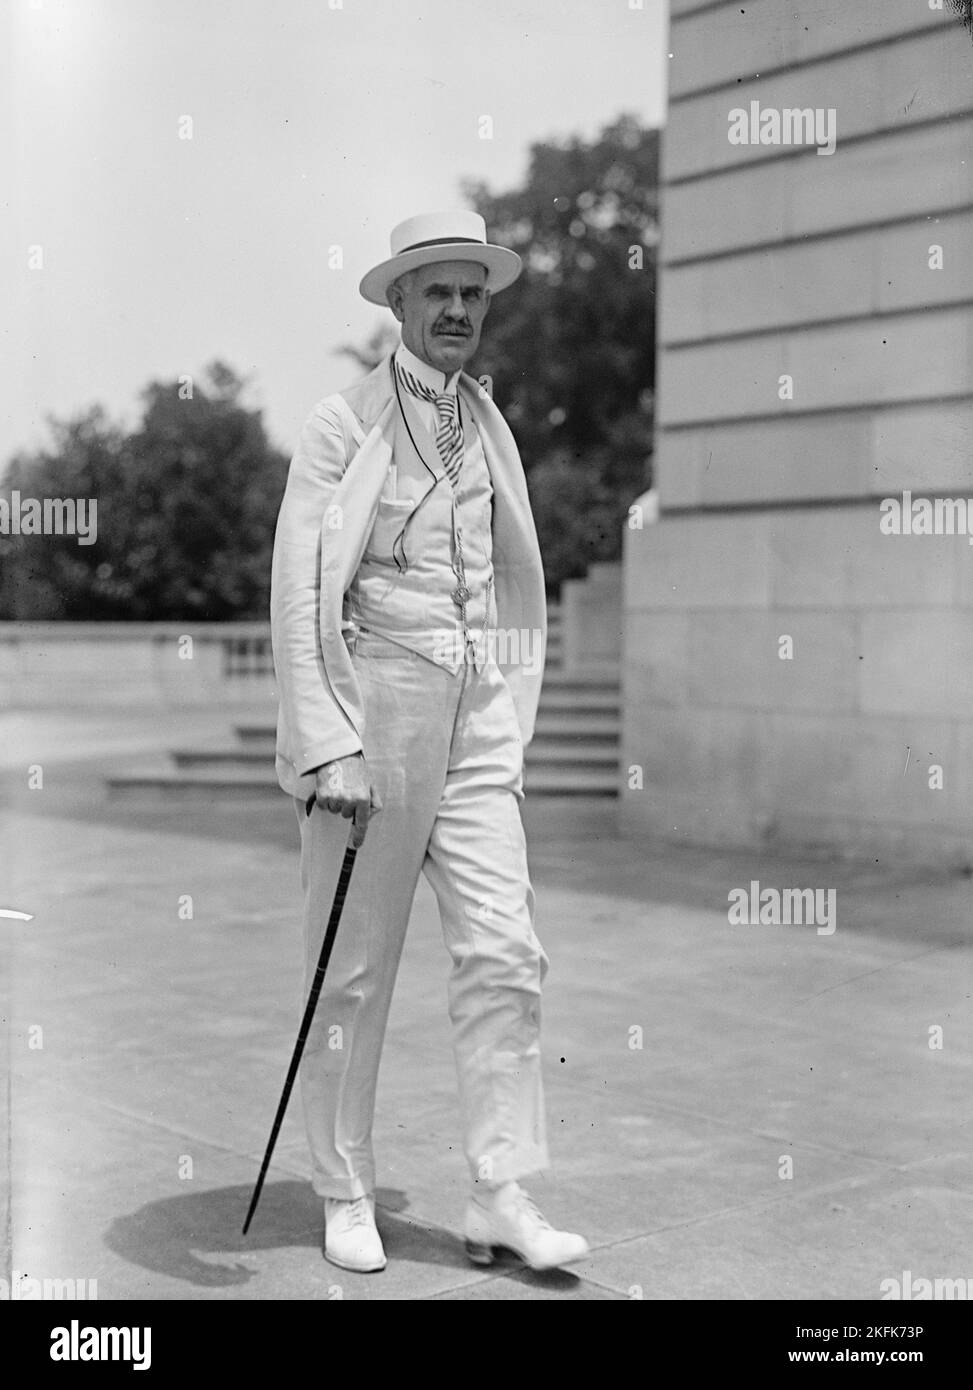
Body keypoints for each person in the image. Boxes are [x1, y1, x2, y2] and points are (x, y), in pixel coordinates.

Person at [270, 209, 588, 1274]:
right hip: (379, 702)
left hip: (475, 708)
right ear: (399, 303)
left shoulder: (489, 425)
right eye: (436, 291)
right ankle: (344, 1185)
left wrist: (497, 695)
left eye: (472, 293)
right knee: (352, 969)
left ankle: (499, 1188)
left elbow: (504, 573)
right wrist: (331, 745)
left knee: (507, 948)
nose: (456, 310)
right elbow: (301, 591)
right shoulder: (340, 423)